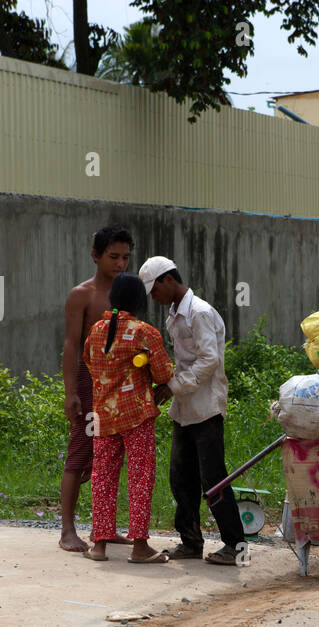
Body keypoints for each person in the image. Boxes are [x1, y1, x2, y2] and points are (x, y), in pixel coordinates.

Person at [138, 256, 246, 566]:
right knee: (180, 476)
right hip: (183, 408)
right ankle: (190, 541)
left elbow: (209, 360)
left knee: (213, 480)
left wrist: (173, 385)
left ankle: (236, 547)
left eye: (154, 290)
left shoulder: (199, 313)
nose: (154, 298)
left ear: (168, 280)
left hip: (206, 407)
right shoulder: (174, 316)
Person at [81, 274, 177, 563]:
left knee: (102, 479)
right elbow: (164, 374)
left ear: (112, 299)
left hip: (103, 417)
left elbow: (89, 363)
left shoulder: (97, 330)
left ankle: (99, 545)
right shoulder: (144, 332)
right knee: (140, 478)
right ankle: (139, 547)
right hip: (136, 416)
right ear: (139, 300)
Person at [59, 224, 134, 552]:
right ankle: (66, 530)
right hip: (90, 384)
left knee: (112, 456)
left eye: (126, 258)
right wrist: (71, 392)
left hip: (122, 386)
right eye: (113, 257)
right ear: (96, 256)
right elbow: (71, 346)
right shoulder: (83, 295)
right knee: (80, 452)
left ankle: (104, 527)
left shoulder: (129, 293)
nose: (120, 264)